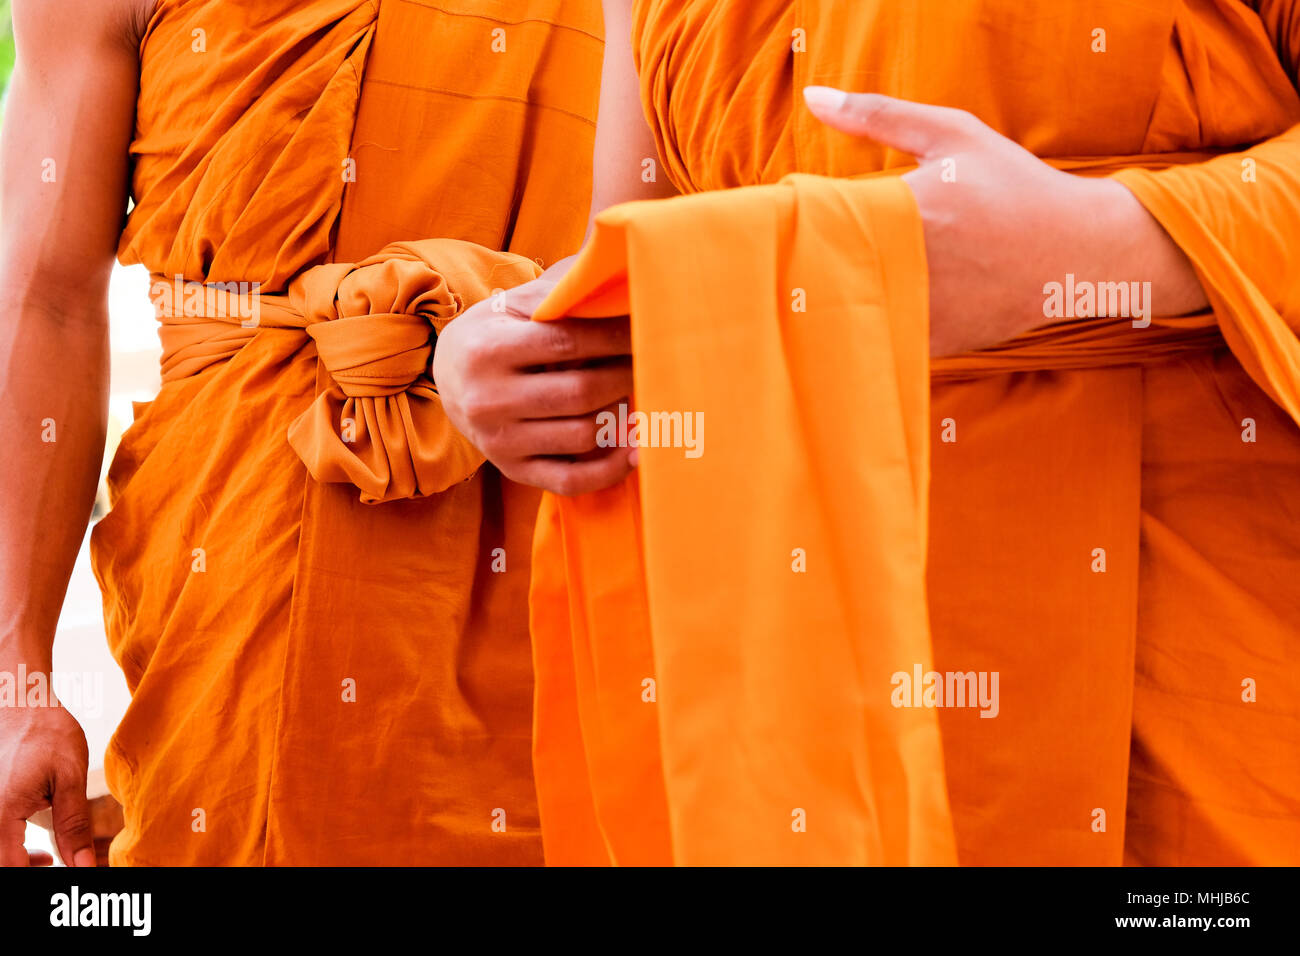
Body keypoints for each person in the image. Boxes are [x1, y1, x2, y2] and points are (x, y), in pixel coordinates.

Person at [434, 0, 1300, 864]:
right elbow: (637, 262)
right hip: (773, 632)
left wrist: (1104, 249)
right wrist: (508, 348)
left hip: (1190, 648)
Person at [0, 0, 633, 866]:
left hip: (573, 506)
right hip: (242, 543)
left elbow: (705, 214)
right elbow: (50, 298)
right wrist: (13, 677)